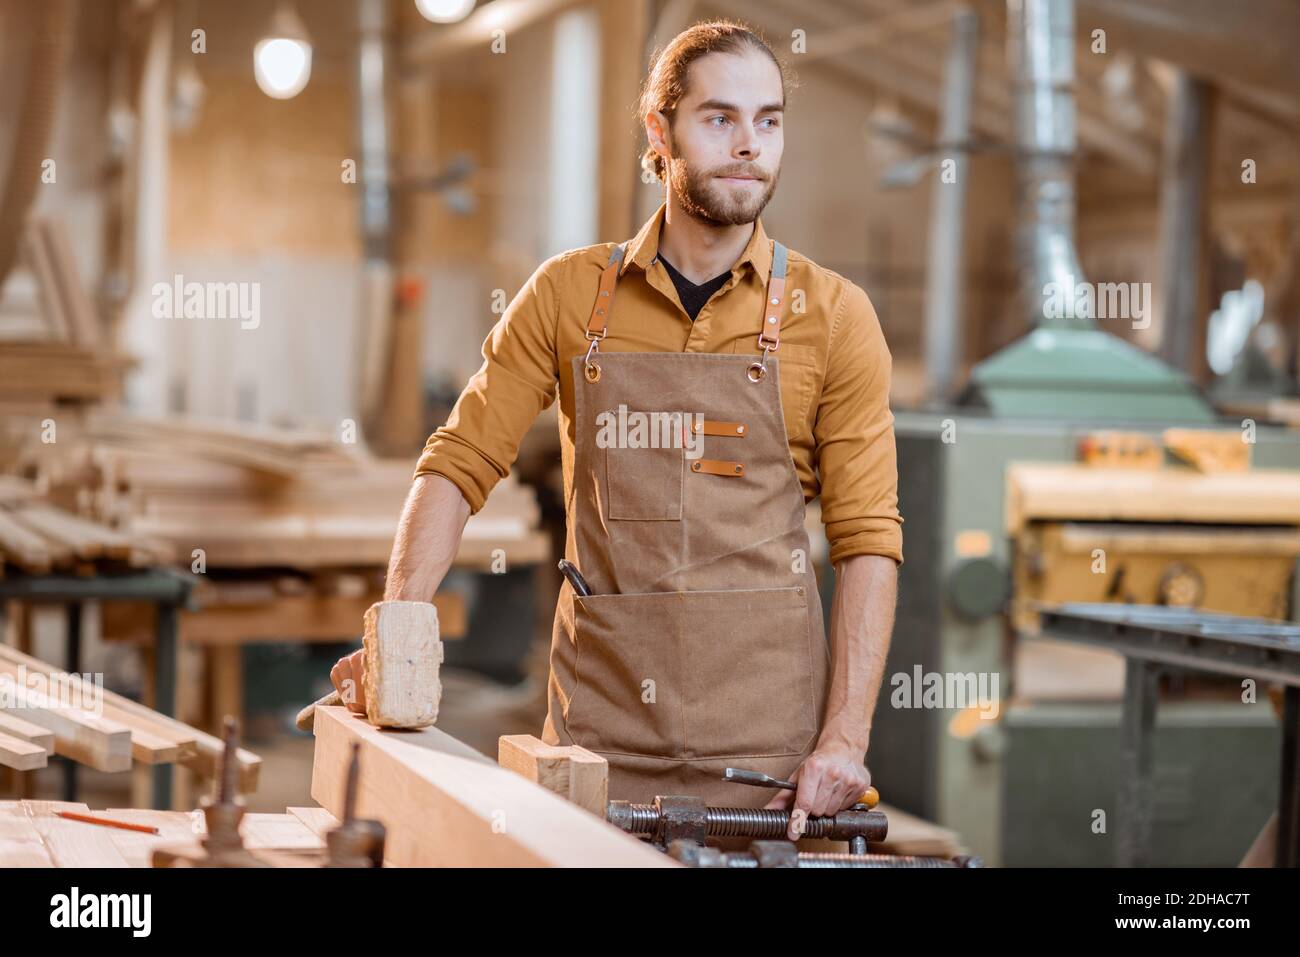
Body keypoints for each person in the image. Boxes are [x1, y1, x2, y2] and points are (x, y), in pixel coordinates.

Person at [332, 19, 901, 840]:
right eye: (720, 119)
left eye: (768, 120)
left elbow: (867, 540)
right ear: (658, 131)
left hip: (768, 763)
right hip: (595, 747)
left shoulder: (837, 316)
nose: (749, 145)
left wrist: (843, 739)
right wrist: (399, 631)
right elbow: (458, 463)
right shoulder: (568, 295)